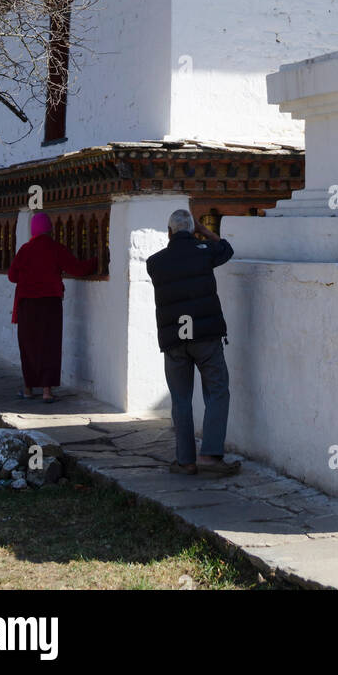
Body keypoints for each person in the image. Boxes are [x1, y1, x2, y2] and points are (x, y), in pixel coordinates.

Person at [145, 203, 239, 477]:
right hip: (206, 338)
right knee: (218, 391)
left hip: (174, 340)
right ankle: (209, 455)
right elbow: (227, 249)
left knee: (181, 399)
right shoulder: (204, 253)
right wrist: (204, 231)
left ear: (169, 233)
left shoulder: (155, 262)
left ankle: (185, 461)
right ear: (191, 231)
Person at [7, 211, 98, 403]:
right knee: (49, 345)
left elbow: (12, 276)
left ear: (33, 229)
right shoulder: (55, 248)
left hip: (27, 306)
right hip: (50, 304)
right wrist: (98, 260)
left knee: (29, 345)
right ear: (49, 229)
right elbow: (77, 269)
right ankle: (47, 391)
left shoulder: (25, 249)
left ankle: (28, 389)